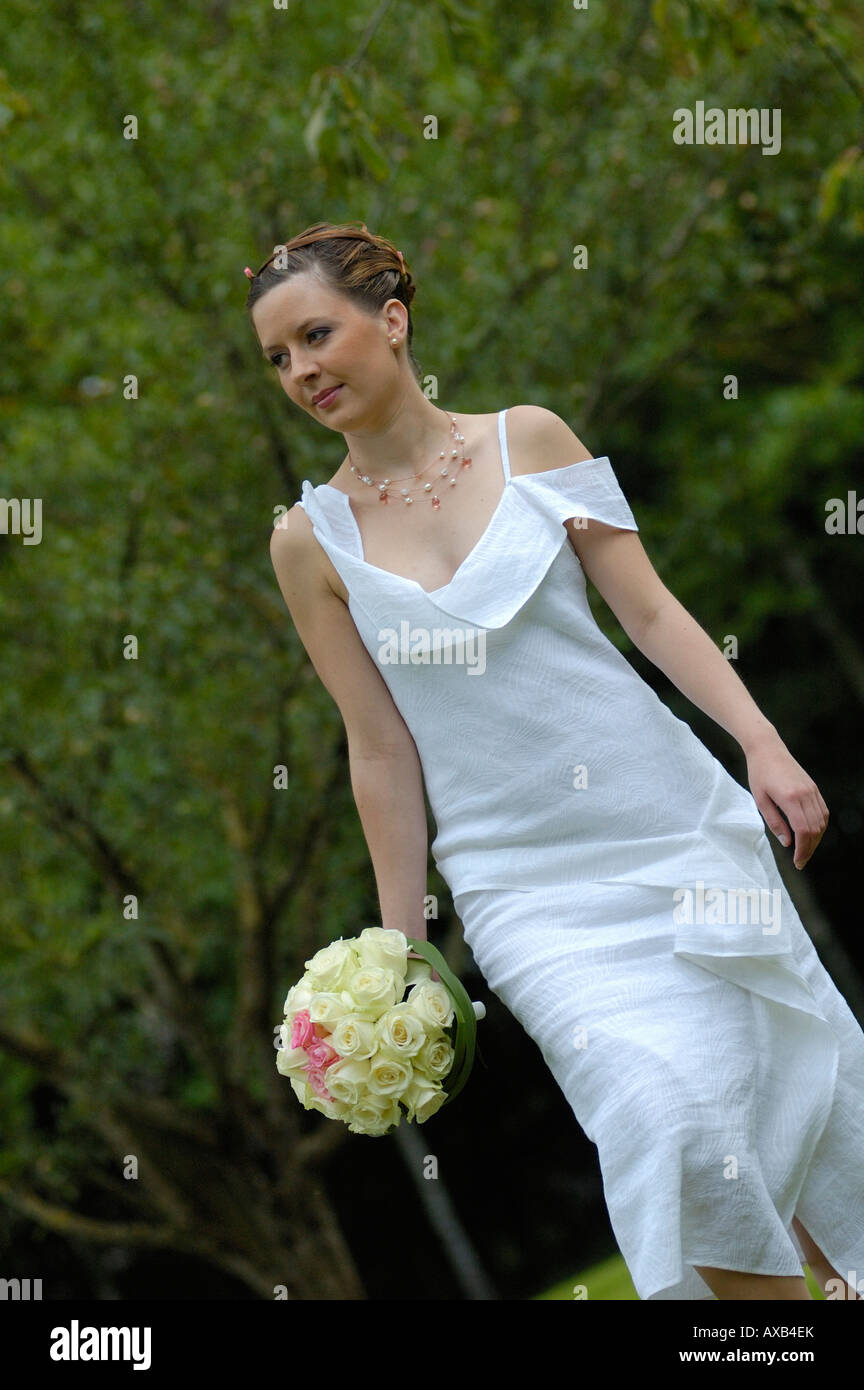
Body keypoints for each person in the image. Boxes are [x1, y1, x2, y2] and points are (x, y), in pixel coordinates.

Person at [246, 221, 864, 1302]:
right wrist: (402, 946)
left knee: (784, 1095)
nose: (300, 371)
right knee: (663, 1112)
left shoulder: (530, 440)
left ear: (391, 321)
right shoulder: (309, 545)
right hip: (525, 891)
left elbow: (652, 610)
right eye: (277, 358)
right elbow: (379, 746)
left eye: (315, 336)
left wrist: (761, 743)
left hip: (672, 824)